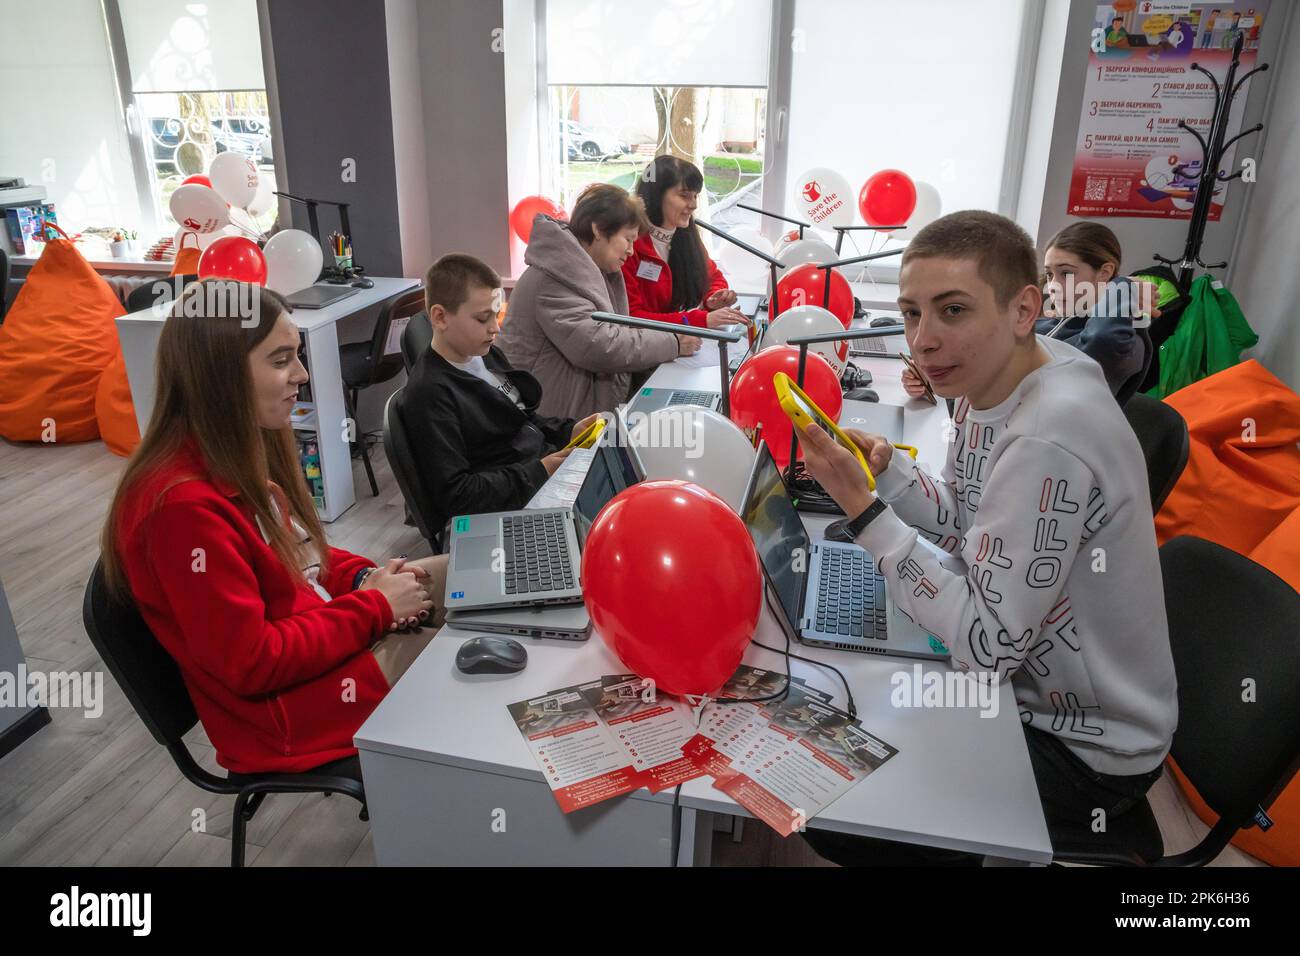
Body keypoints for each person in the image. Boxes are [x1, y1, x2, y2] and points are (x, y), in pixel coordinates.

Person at [798, 211, 1178, 863]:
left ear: (1024, 308)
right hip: (1022, 685)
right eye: (912, 313)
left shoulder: (1049, 436)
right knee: (847, 700)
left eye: (952, 311)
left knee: (827, 804)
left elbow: (985, 646)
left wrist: (863, 513)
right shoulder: (993, 375)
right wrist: (888, 477)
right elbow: (962, 518)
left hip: (1086, 750)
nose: (923, 341)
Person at [102, 281, 443, 776]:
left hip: (321, 656)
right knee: (470, 661)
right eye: (281, 360)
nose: (301, 375)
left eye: (297, 356)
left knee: (464, 577)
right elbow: (252, 661)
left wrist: (364, 581)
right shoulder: (180, 510)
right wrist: (375, 607)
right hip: (290, 713)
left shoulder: (231, 457)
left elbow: (302, 556)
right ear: (219, 374)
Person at [403, 253, 600, 536]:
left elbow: (520, 417)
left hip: (534, 476)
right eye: (483, 318)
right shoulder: (430, 395)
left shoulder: (484, 354)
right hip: (505, 509)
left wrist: (568, 431)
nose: (495, 327)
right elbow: (458, 495)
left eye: (497, 314)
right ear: (440, 317)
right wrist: (539, 471)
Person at [499, 183, 697, 420]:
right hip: (552, 423)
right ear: (599, 230)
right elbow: (597, 345)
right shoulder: (554, 275)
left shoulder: (594, 268)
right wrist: (671, 344)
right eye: (628, 239)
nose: (632, 251)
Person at [902, 221, 1147, 399]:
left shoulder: (1126, 344)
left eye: (1067, 273)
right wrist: (936, 375)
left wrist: (1121, 285)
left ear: (1104, 273)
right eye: (1050, 274)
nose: (1053, 286)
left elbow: (1101, 342)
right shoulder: (1048, 324)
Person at [624, 154, 751, 330]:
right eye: (684, 196)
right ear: (656, 196)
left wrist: (714, 298)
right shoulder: (629, 245)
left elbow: (713, 277)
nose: (693, 205)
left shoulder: (685, 235)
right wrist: (699, 320)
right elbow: (632, 317)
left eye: (695, 196)